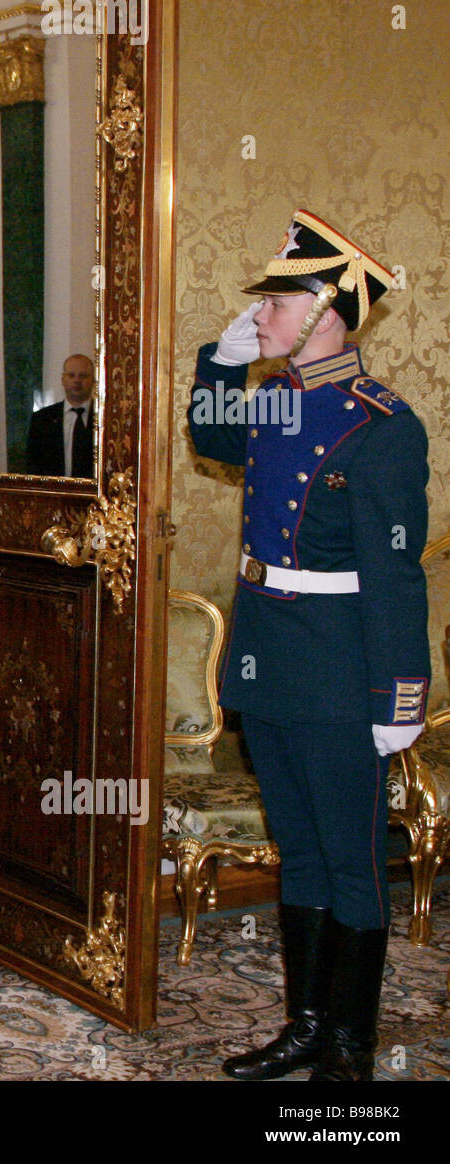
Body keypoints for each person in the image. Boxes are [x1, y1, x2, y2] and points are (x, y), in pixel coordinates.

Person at [187, 209, 429, 1082]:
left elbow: (396, 574)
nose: (265, 316)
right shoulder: (273, 401)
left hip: (339, 672)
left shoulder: (383, 428)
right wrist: (221, 357)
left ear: (326, 309)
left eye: (279, 303)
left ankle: (350, 1056)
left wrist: (398, 699)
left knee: (351, 860)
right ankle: (305, 1028)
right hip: (271, 662)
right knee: (299, 853)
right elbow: (210, 435)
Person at [25, 353, 95, 477]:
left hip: (94, 494)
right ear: (63, 380)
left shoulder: (105, 419)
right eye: (71, 375)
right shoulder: (42, 419)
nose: (77, 381)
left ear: (93, 380)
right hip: (54, 493)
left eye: (83, 376)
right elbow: (32, 465)